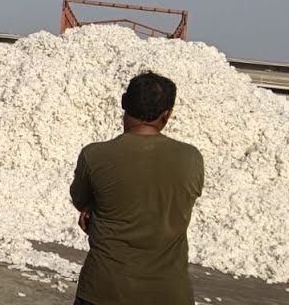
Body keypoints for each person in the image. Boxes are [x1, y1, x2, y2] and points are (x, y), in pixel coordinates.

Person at [69, 71, 205, 305]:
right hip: (169, 293)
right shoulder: (191, 158)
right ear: (167, 114)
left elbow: (81, 199)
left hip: (104, 290)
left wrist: (92, 207)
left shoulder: (95, 155)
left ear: (124, 102)